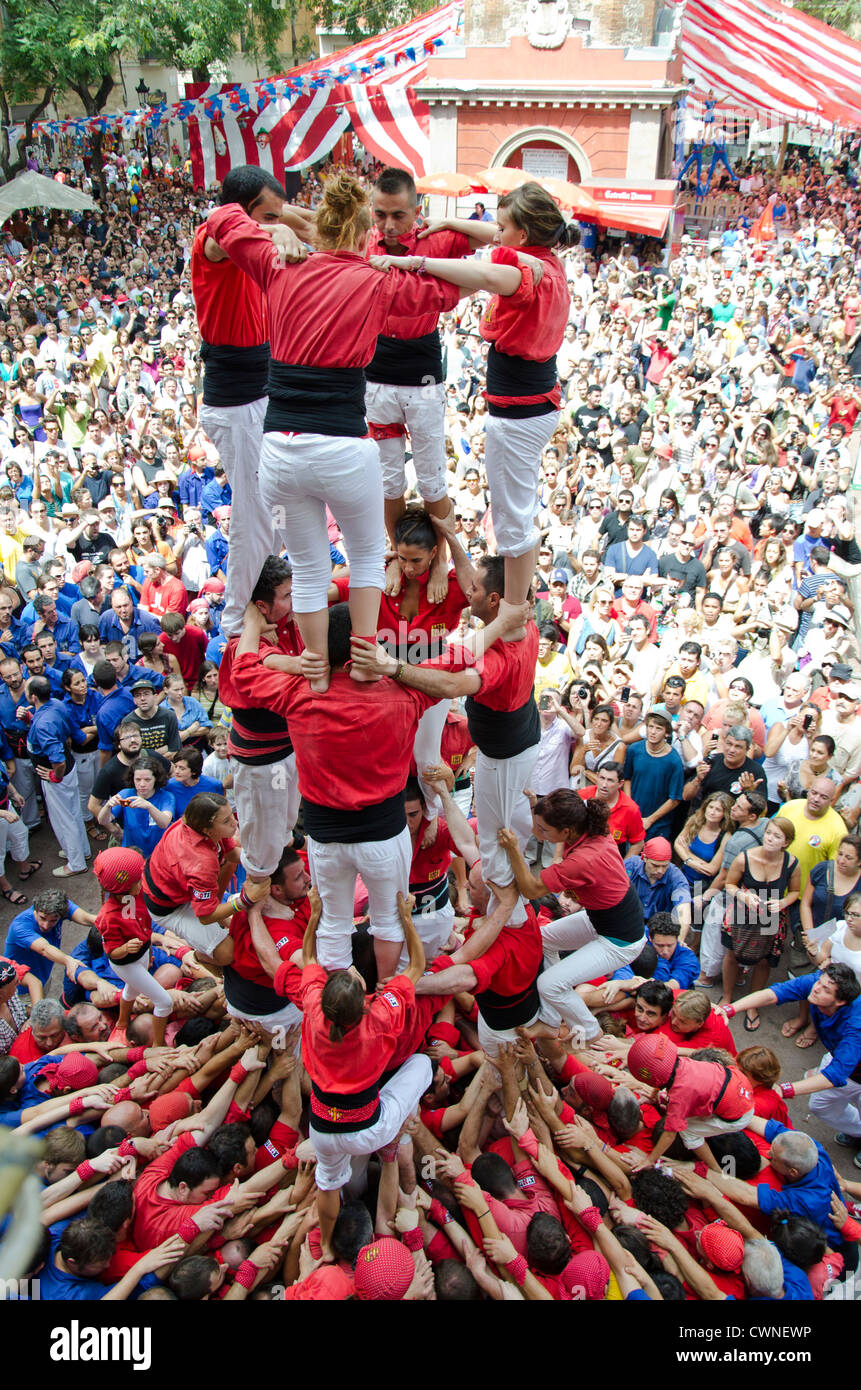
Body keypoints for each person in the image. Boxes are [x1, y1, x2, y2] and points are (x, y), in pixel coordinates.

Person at [203, 172, 461, 692]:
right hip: (343, 448)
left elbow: (224, 215)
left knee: (307, 564)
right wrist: (414, 259)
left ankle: (316, 669)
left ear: (318, 228)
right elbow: (446, 293)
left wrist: (273, 228)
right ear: (366, 229)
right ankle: (365, 662)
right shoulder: (375, 278)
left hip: (280, 449)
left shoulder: (279, 265)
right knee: (366, 556)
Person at [386, 182, 574, 610]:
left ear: (522, 235)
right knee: (513, 513)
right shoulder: (543, 257)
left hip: (518, 416)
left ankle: (512, 608)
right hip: (528, 406)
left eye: (503, 227)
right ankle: (516, 603)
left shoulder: (522, 271)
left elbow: (488, 274)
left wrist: (413, 260)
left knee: (512, 519)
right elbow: (494, 239)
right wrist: (450, 222)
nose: (494, 233)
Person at [192, 166, 313, 637]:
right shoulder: (214, 236)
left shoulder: (257, 226)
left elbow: (291, 221)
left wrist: (301, 220)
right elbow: (232, 233)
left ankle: (263, 602)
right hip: (237, 401)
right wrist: (277, 226)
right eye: (264, 215)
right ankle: (233, 623)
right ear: (239, 211)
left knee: (283, 507)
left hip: (262, 393)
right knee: (254, 518)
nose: (273, 224)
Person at [299, 886, 431, 1260]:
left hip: (323, 1128)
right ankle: (394, 1143)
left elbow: (308, 956)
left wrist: (312, 915)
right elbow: (416, 968)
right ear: (363, 1003)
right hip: (371, 1126)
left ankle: (326, 1247)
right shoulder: (381, 1016)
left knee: (331, 1184)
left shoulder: (312, 1008)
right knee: (422, 1064)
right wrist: (406, 918)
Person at [365, 167, 473, 598]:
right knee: (389, 482)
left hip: (422, 376)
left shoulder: (435, 239)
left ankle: (442, 556)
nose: (388, 225)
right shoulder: (363, 238)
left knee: (432, 481)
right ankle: (395, 556)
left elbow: (498, 235)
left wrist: (448, 222)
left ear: (416, 212)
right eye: (379, 214)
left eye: (398, 215)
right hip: (375, 377)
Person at [496, 789, 646, 1044]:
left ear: (566, 832)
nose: (538, 832)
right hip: (602, 917)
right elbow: (546, 821)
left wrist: (512, 850)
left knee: (549, 984)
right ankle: (552, 1018)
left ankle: (590, 1031)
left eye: (544, 830)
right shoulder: (584, 818)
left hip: (620, 940)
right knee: (540, 940)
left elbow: (531, 888)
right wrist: (535, 804)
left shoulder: (583, 860)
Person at [724, 963, 861, 1159]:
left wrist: (786, 1089)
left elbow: (835, 1075)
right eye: (819, 983)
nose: (816, 988)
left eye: (825, 990)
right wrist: (729, 1010)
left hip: (848, 1068)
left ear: (839, 1002)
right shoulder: (817, 984)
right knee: (821, 1106)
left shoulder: (856, 1024)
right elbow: (773, 993)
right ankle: (858, 1132)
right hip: (840, 1059)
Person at [142, 792, 269, 960]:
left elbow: (231, 853)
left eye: (231, 815)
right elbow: (205, 916)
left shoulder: (197, 822)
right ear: (206, 830)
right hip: (168, 907)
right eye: (226, 821)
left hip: (178, 884)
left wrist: (266, 864)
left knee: (231, 859)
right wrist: (246, 900)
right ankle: (193, 956)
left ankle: (216, 909)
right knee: (228, 954)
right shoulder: (201, 863)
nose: (235, 822)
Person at [719, 817, 801, 1030]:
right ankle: (727, 996)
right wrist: (744, 896)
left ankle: (752, 1004)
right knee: (732, 954)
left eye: (777, 836)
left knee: (764, 961)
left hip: (771, 915)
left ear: (786, 842)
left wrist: (782, 902)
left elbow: (795, 892)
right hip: (742, 911)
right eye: (768, 833)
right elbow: (729, 884)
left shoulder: (792, 864)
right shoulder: (744, 858)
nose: (770, 839)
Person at [92, 846, 173, 1046]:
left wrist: (149, 950)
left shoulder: (134, 896)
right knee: (164, 1001)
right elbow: (112, 952)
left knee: (131, 991)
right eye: (138, 880)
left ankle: (121, 1021)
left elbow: (142, 926)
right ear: (124, 887)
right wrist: (126, 948)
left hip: (143, 952)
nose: (142, 883)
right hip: (126, 962)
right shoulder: (109, 916)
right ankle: (158, 1044)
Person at [26, 674, 90, 878]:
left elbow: (58, 760)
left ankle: (76, 863)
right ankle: (82, 851)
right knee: (73, 812)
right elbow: (74, 733)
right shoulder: (56, 704)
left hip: (58, 775)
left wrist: (55, 776)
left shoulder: (44, 723)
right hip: (69, 769)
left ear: (33, 697)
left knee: (65, 819)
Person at [622, 707, 685, 839]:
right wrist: (630, 806)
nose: (653, 732)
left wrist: (650, 820)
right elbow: (627, 778)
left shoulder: (674, 761)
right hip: (632, 817)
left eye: (658, 728)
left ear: (667, 733)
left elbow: (675, 799)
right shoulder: (634, 749)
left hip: (658, 826)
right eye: (650, 727)